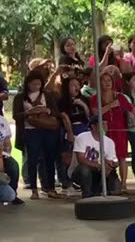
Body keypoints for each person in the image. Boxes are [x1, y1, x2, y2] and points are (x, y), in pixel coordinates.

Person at [14, 70, 62, 199]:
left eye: (38, 84)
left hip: (47, 130)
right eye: (33, 84)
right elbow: (15, 115)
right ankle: (34, 189)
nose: (35, 87)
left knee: (49, 158)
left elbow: (56, 112)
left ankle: (51, 188)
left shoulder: (47, 95)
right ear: (27, 84)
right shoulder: (20, 97)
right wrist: (29, 112)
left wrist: (47, 110)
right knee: (33, 159)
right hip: (30, 131)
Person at [69, 115, 121, 197]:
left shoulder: (109, 142)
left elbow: (109, 160)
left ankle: (102, 191)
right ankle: (87, 194)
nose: (105, 127)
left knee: (112, 178)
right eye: (102, 124)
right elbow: (81, 160)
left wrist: (110, 166)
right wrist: (100, 165)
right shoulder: (82, 137)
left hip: (98, 171)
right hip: (80, 171)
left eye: (106, 124)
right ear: (93, 126)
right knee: (84, 170)